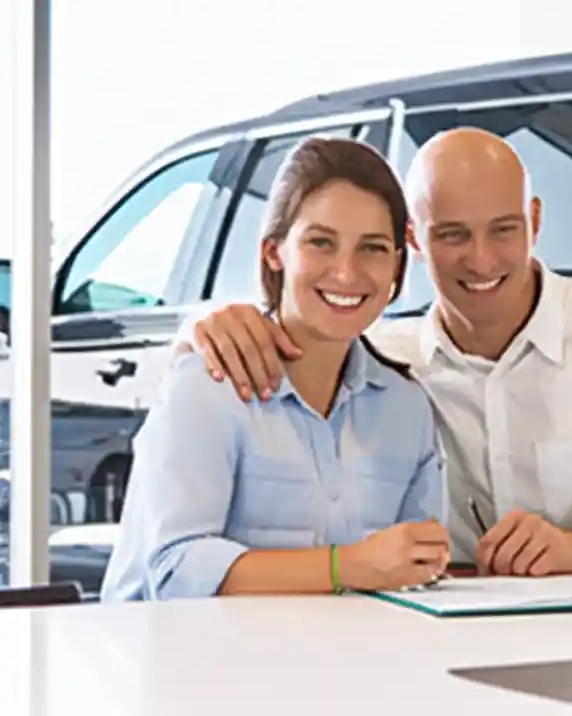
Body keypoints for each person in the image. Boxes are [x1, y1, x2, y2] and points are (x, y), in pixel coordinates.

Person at [175, 127, 572, 577]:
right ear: (413, 242)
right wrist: (203, 327)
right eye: (452, 235)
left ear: (534, 221)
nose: (482, 259)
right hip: (440, 631)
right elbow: (240, 358)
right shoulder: (382, 363)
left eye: (504, 230)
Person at [101, 137, 450, 601]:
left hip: (344, 646)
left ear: (397, 267)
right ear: (274, 252)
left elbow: (418, 566)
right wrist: (349, 566)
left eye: (373, 248)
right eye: (321, 243)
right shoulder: (209, 384)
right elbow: (173, 570)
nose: (347, 273)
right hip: (182, 646)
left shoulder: (407, 409)